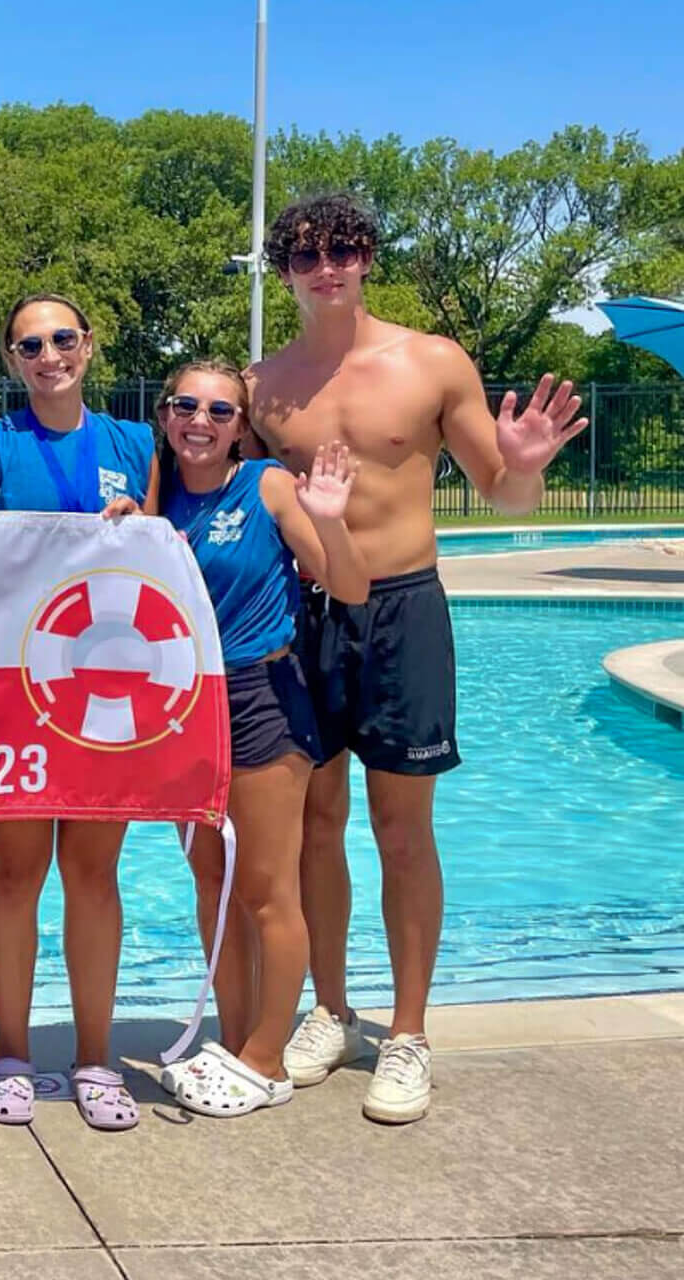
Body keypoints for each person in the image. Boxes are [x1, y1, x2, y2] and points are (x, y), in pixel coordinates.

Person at [246, 193, 586, 1124]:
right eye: (308, 254)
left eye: (345, 248)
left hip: (400, 611)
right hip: (300, 613)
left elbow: (507, 502)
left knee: (401, 829)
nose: (328, 266)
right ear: (284, 271)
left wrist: (524, 464)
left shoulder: (431, 362)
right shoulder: (265, 383)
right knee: (315, 822)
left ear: (367, 259)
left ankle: (409, 1034)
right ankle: (329, 1009)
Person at [0, 292, 158, 1132]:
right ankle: (12, 1054)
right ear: (13, 360)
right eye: (30, 345)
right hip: (17, 690)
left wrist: (143, 519)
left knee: (94, 875)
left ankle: (96, 1057)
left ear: (88, 347)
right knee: (16, 873)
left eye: (62, 338)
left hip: (109, 691)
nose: (49, 354)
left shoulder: (135, 444)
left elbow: (168, 543)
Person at [147, 362, 367, 1118]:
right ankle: (236, 1041)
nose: (199, 420)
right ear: (166, 414)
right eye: (185, 405)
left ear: (241, 425)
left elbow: (351, 586)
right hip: (181, 702)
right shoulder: (157, 494)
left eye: (218, 409)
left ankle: (268, 1058)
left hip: (261, 697)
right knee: (213, 881)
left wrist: (331, 517)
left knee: (268, 889)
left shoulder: (267, 485)